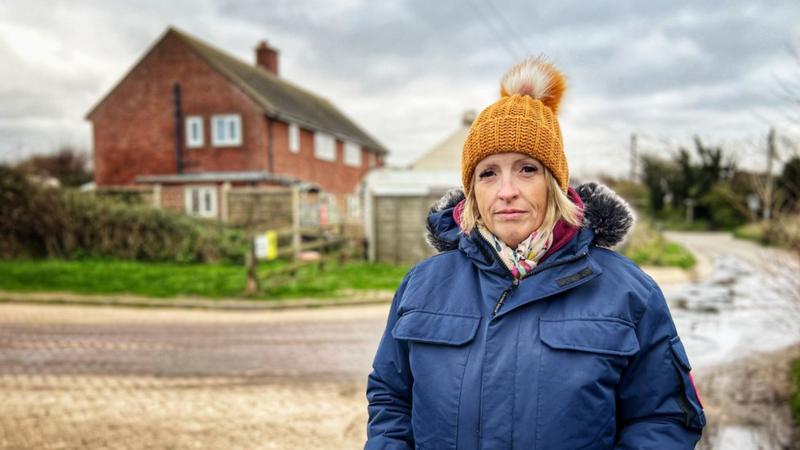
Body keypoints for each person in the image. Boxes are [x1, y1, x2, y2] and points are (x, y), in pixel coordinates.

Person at [365, 57, 705, 449]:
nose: (506, 190)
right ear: (473, 190)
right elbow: (390, 399)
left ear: (555, 183)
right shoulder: (421, 286)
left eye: (527, 169)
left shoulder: (628, 293)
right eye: (488, 173)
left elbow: (663, 418)